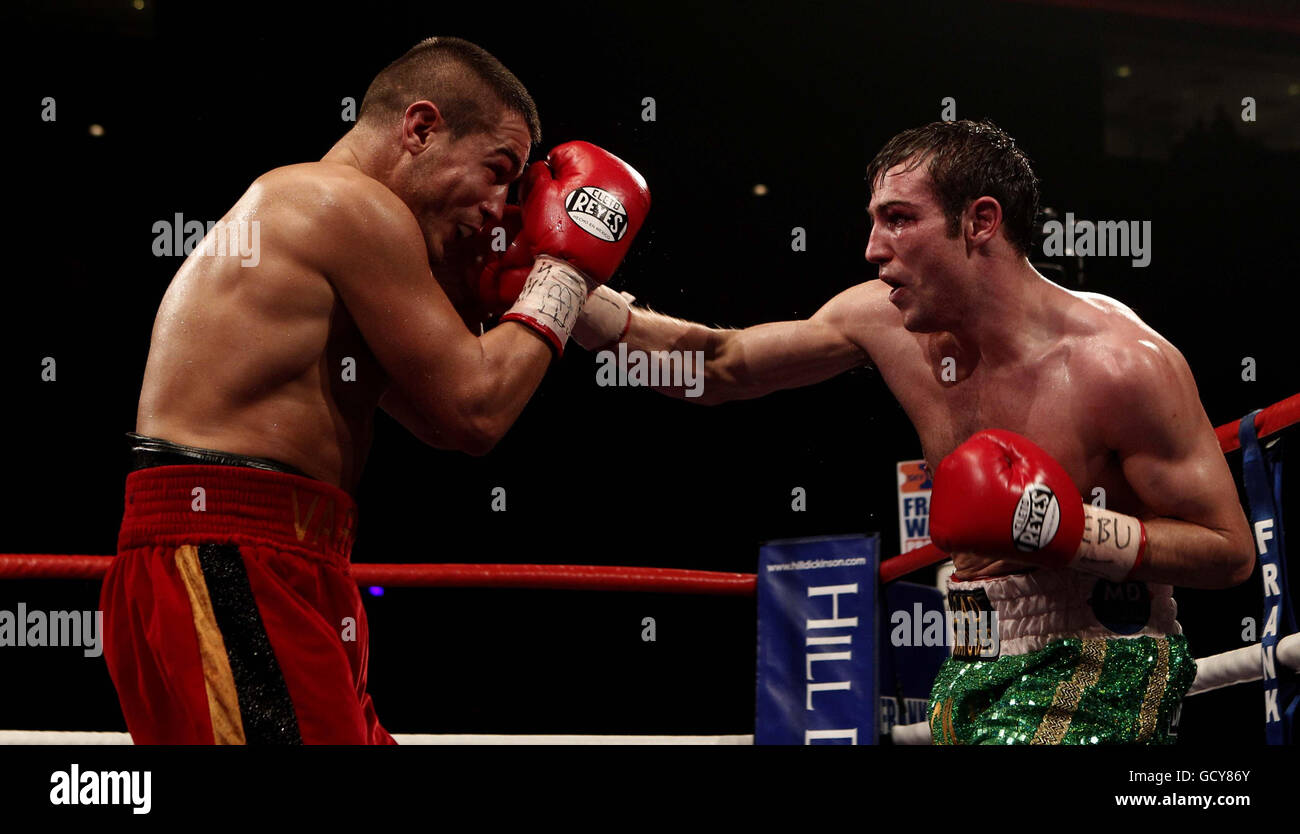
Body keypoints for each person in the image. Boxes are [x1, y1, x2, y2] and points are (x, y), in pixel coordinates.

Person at [572, 119, 1252, 744]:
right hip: (968, 658)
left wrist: (1073, 534)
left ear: (980, 221)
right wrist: (573, 297)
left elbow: (1228, 552)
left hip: (1100, 659)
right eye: (874, 221)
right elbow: (721, 368)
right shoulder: (887, 321)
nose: (873, 249)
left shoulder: (1120, 365)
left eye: (900, 219)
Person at [102, 36, 650, 744]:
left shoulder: (326, 221)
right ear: (421, 128)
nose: (496, 208)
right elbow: (477, 411)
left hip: (266, 554)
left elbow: (440, 421)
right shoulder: (346, 205)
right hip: (229, 550)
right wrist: (563, 271)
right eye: (496, 171)